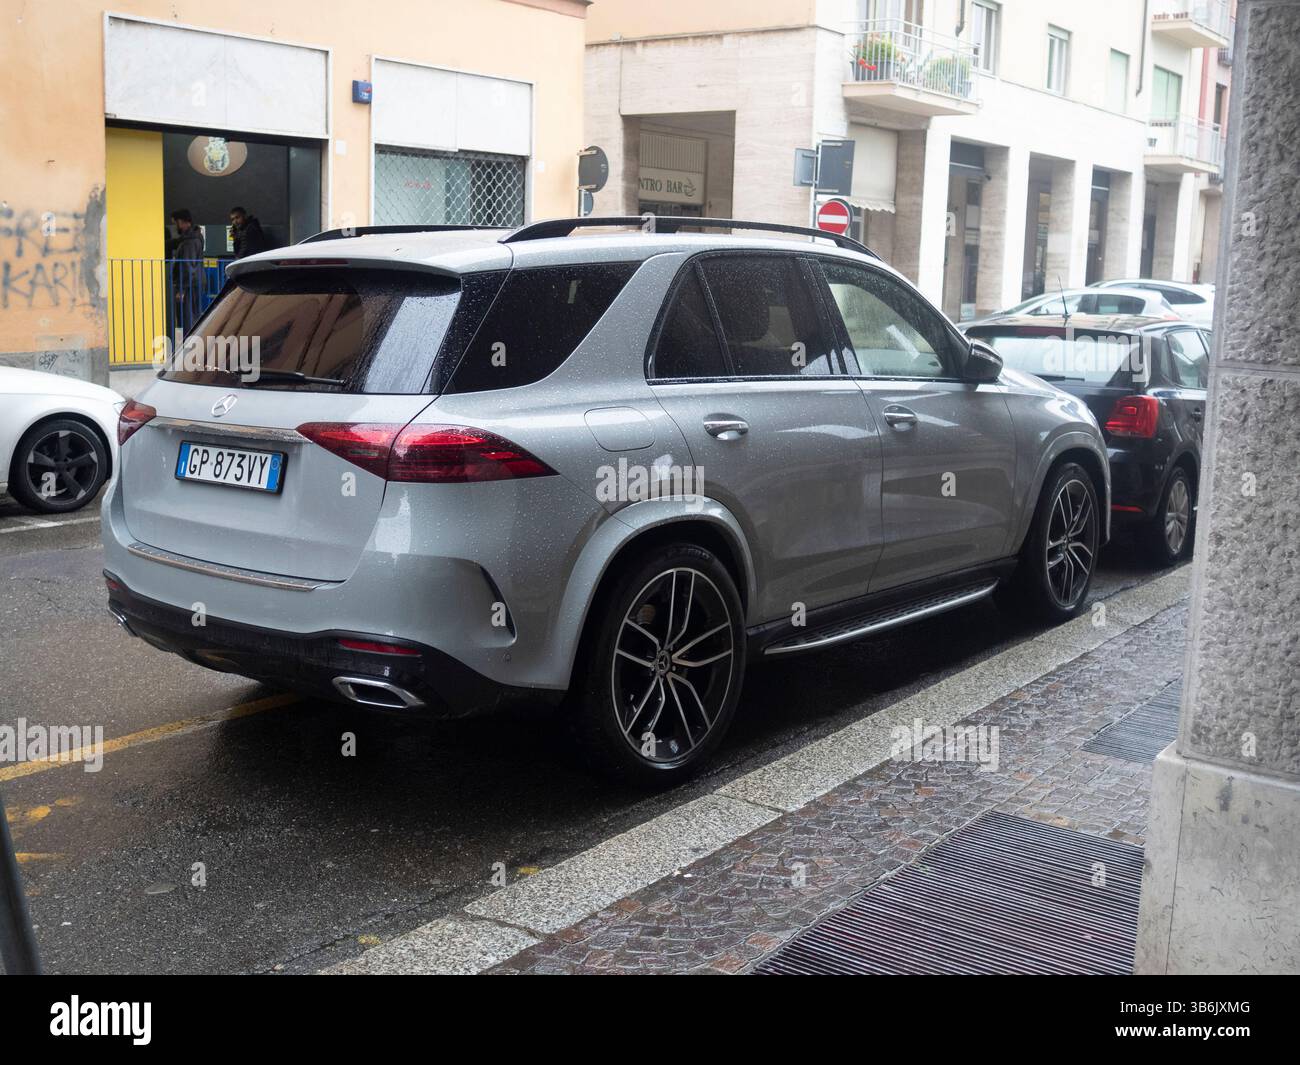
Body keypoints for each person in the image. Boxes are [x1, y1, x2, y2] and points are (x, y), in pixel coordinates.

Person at [169, 209, 205, 334]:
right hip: (194, 284)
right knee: (192, 317)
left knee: (186, 320)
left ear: (184, 222)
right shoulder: (194, 238)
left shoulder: (190, 242)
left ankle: (188, 348)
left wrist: (181, 289)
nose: (176, 227)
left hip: (188, 286)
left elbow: (187, 267)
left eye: (176, 223)